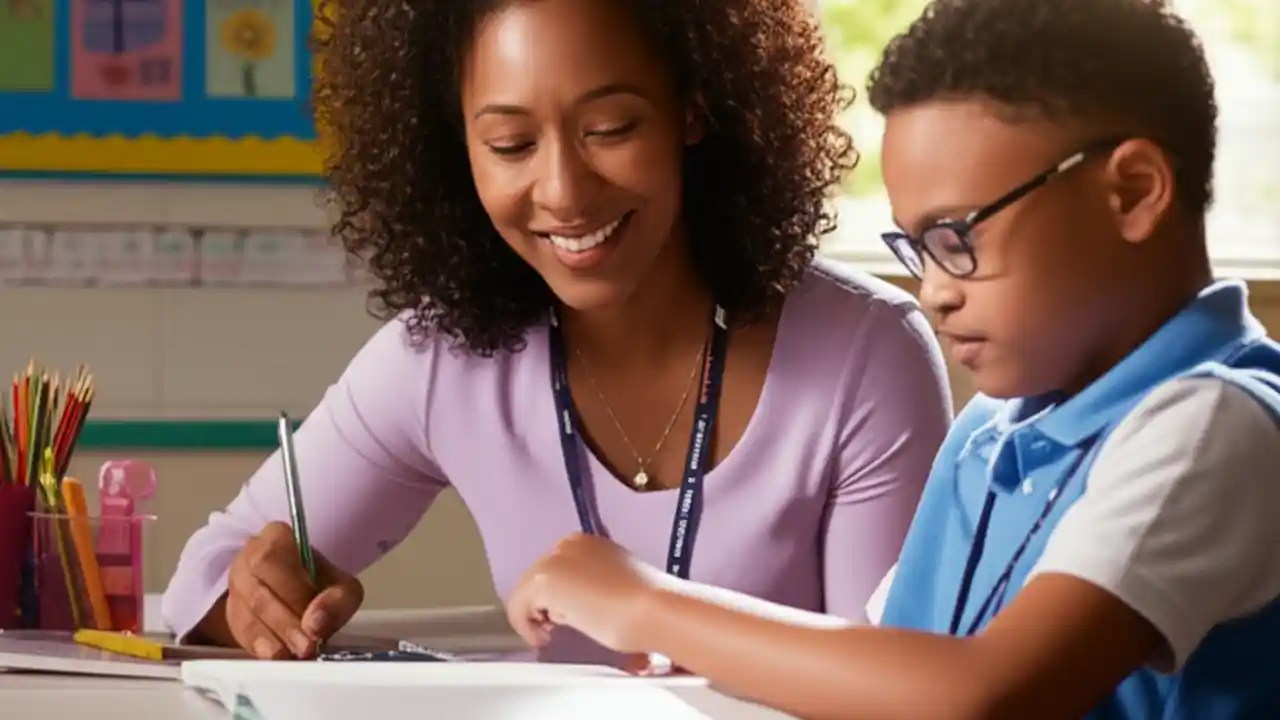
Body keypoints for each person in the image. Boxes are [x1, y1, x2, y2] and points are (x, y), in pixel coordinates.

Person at [504, 0, 1280, 716]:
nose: (935, 292)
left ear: (1133, 193)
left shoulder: (1213, 424)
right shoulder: (990, 428)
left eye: (958, 240)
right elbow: (878, 671)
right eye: (917, 248)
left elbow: (981, 695)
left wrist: (646, 602)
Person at [159, 0, 953, 665]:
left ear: (695, 106)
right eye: (510, 145)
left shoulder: (867, 355)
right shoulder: (443, 358)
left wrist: (650, 610)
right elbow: (210, 570)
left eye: (610, 128)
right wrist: (256, 605)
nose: (565, 192)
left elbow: (895, 683)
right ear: (456, 148)